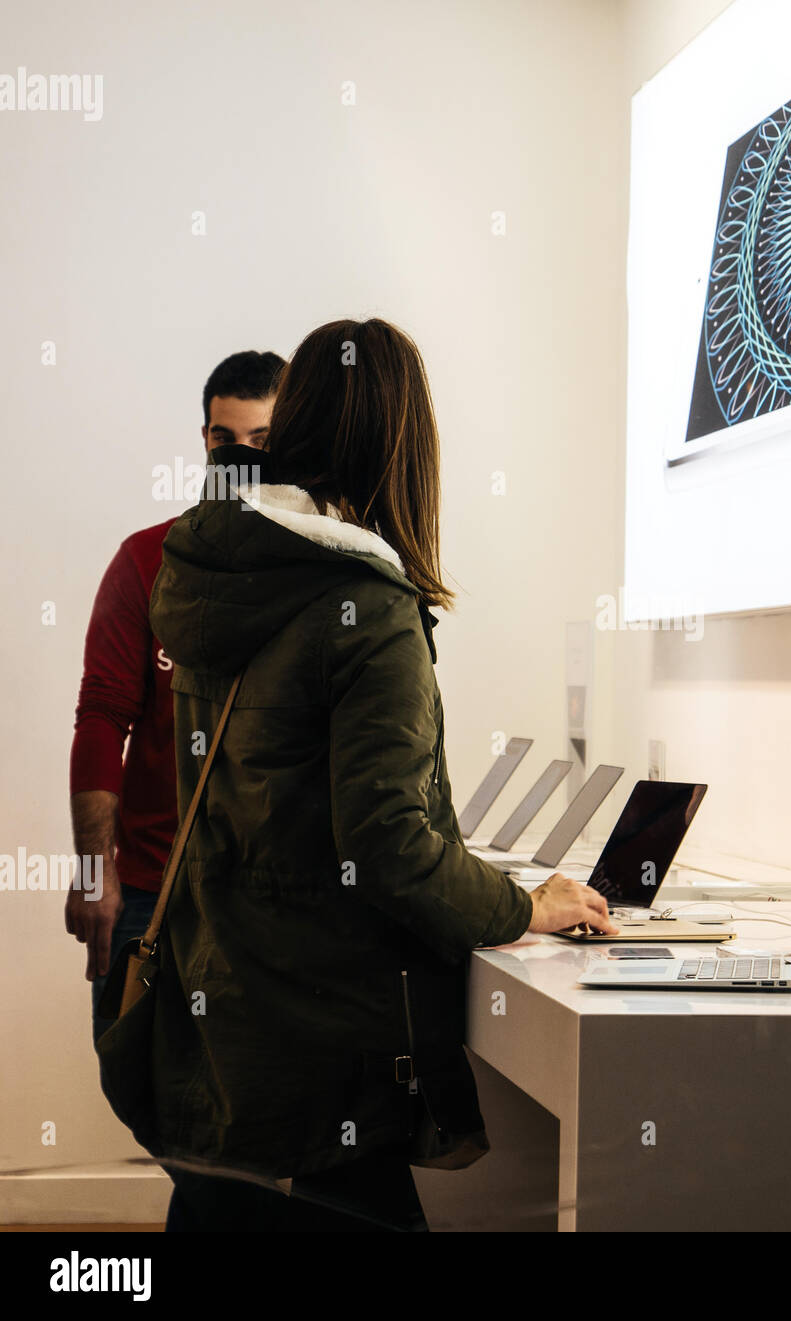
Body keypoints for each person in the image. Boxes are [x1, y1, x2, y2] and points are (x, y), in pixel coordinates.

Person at [145, 318, 616, 1232]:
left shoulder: (218, 578)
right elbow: (388, 842)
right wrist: (525, 907)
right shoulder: (366, 605)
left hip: (225, 1009)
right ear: (406, 444)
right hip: (327, 1047)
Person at [68, 350, 285, 1044]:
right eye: (226, 442)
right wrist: (93, 870)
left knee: (253, 1103)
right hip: (148, 888)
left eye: (263, 444)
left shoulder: (316, 576)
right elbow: (102, 717)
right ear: (204, 440)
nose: (240, 460)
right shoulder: (145, 560)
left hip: (270, 899)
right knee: (133, 1077)